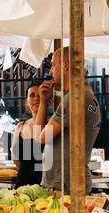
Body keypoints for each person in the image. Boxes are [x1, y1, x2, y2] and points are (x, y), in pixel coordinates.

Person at [34, 46, 101, 190]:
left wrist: (43, 103)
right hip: (66, 181)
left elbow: (41, 137)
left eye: (53, 65)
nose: (50, 71)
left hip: (64, 184)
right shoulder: (82, 93)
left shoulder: (74, 97)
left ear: (65, 65)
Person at [10, 83, 43, 187]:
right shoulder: (21, 127)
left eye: (40, 95)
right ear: (26, 101)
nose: (36, 98)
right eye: (32, 95)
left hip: (46, 187)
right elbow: (16, 160)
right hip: (22, 186)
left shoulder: (53, 125)